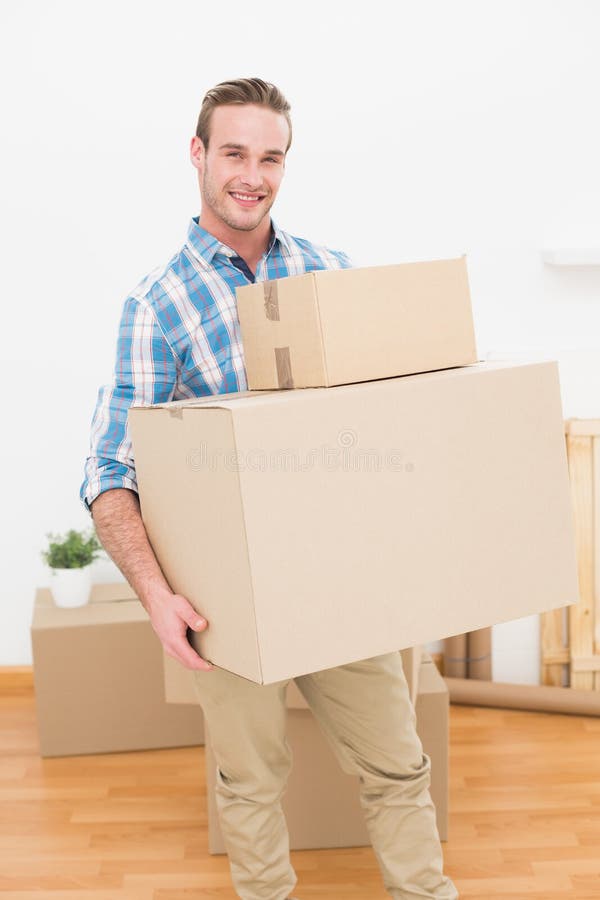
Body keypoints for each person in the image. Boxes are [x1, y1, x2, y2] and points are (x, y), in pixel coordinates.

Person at [81, 77, 458, 900]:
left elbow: (389, 417)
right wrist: (155, 595)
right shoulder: (157, 305)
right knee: (251, 787)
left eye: (271, 157)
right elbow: (109, 471)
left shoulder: (329, 273)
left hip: (340, 581)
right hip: (229, 600)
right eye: (234, 153)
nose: (252, 175)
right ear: (198, 156)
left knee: (399, 764)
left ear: (286, 164)